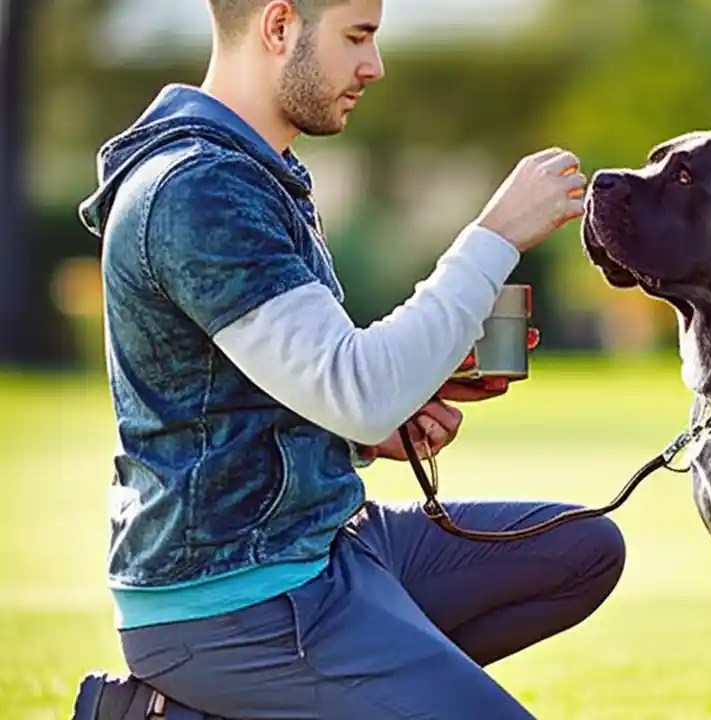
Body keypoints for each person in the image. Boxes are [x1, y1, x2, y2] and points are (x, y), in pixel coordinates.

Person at [71, 1, 626, 717]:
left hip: (326, 544)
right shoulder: (196, 192)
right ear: (279, 27)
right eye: (357, 37)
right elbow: (356, 386)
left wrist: (364, 434)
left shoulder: (259, 173)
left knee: (582, 550)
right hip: (242, 602)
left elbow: (298, 387)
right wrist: (495, 235)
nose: (375, 65)